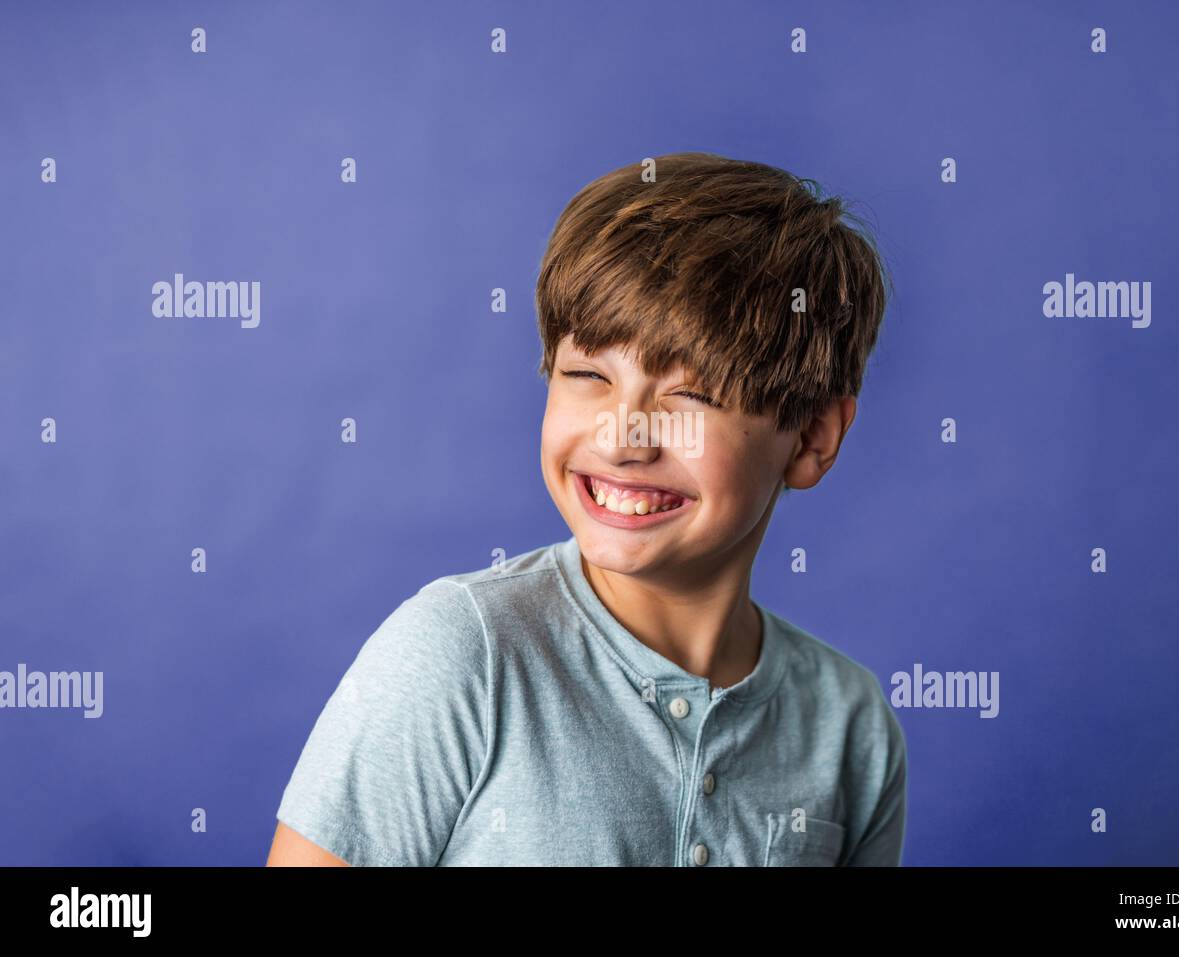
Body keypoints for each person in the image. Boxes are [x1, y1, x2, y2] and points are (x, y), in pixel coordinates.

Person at [266, 151, 905, 866]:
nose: (622, 436)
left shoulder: (853, 728)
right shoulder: (461, 655)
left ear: (812, 437)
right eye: (586, 375)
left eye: (690, 395)